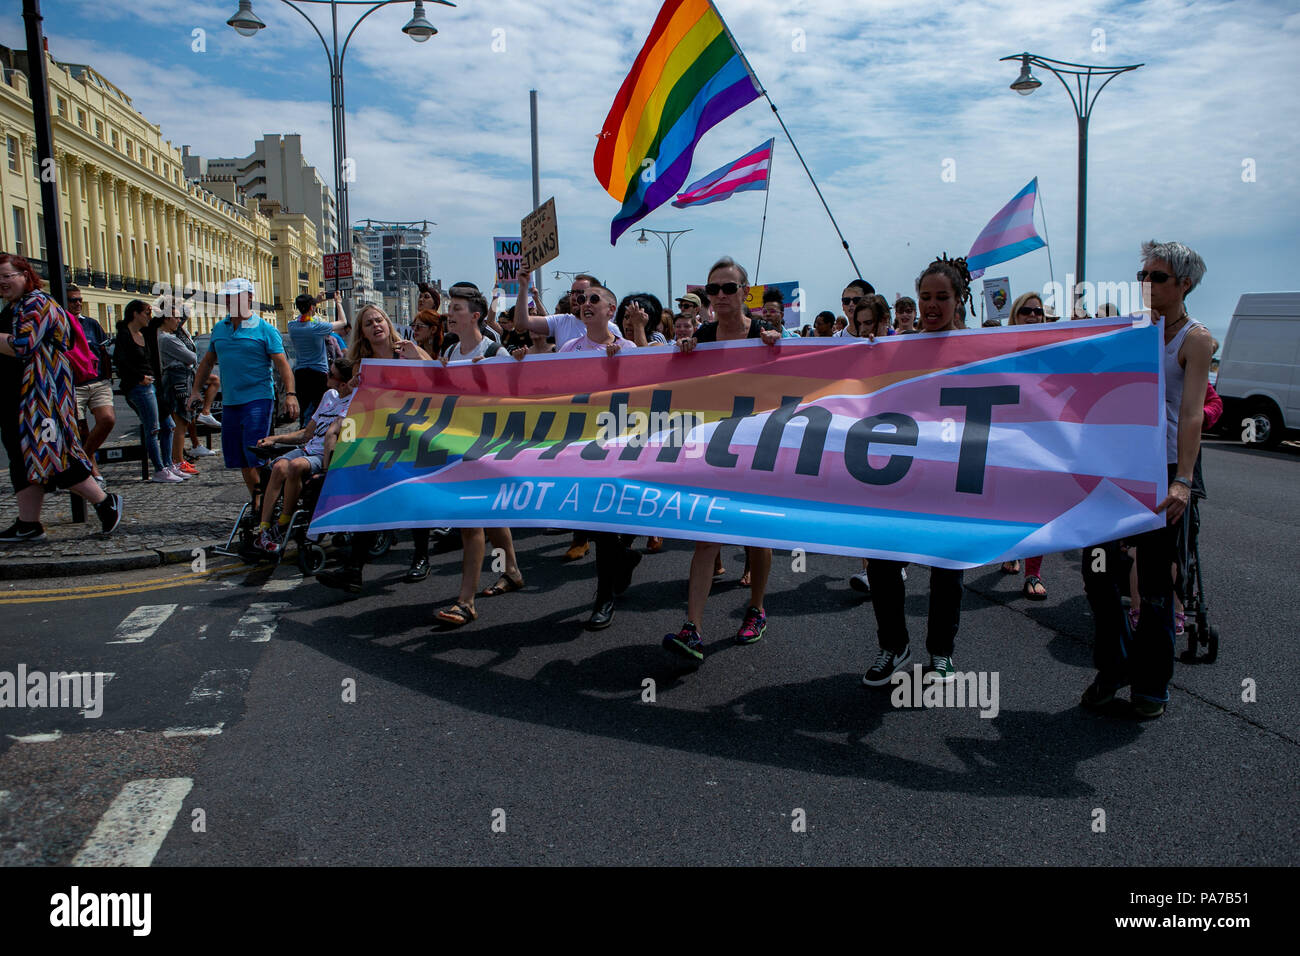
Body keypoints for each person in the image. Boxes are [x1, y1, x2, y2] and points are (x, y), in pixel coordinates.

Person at [1080, 241, 1213, 720]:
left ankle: (1151, 684)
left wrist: (1183, 481)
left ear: (1184, 284)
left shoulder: (1195, 340)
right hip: (1117, 474)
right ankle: (1113, 665)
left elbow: (1193, 414)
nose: (1147, 285)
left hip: (1161, 478)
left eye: (1158, 277)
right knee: (1097, 572)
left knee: (1156, 585)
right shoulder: (1133, 331)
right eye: (1143, 275)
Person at [861, 256, 975, 688]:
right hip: (899, 476)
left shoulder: (981, 350)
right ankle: (894, 646)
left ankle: (941, 653)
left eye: (941, 297)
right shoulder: (895, 348)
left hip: (952, 478)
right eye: (925, 297)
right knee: (884, 562)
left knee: (947, 569)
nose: (931, 306)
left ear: (958, 299)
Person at [662, 256, 782, 663]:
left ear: (745, 293)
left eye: (729, 288)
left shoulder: (766, 334)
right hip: (715, 448)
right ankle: (692, 627)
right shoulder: (703, 338)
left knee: (755, 533)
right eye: (713, 289)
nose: (720, 296)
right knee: (706, 534)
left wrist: (778, 348)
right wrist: (684, 353)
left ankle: (756, 608)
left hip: (759, 447)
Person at [516, 284, 643, 627]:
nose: (585, 304)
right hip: (583, 446)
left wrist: (622, 365)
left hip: (617, 446)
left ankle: (603, 600)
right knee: (593, 521)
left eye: (594, 300)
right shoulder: (571, 347)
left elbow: (647, 390)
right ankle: (624, 558)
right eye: (582, 300)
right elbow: (556, 388)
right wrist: (521, 365)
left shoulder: (627, 347)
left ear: (610, 311)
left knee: (603, 523)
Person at [0, 254, 122, 541]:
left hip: (39, 400)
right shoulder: (15, 305)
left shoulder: (37, 303)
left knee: (53, 457)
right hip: (16, 399)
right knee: (22, 460)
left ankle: (106, 503)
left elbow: (24, 345)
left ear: (25, 275)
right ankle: (28, 523)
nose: (2, 282)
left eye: (7, 275)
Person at [430, 283, 525, 627]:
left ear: (475, 316)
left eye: (456, 308)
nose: (449, 314)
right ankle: (511, 570)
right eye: (449, 307)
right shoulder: (451, 352)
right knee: (490, 513)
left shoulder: (496, 352)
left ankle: (465, 601)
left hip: (487, 449)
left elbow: (514, 399)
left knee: (471, 520)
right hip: (458, 446)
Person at [189, 277, 299, 500]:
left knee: (255, 453)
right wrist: (194, 391)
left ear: (249, 297)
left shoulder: (264, 329)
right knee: (239, 458)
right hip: (231, 402)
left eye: (234, 296)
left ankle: (268, 503)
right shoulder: (220, 328)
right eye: (227, 296)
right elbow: (207, 362)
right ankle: (260, 501)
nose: (229, 300)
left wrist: (290, 395)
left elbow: (282, 365)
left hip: (258, 399)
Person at [253, 357, 355, 553]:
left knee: (296, 465)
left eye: (331, 374)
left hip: (324, 455)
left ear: (343, 383)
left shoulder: (352, 403)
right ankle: (264, 528)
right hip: (309, 448)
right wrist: (276, 438)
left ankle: (283, 522)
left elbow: (341, 439)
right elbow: (307, 433)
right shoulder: (329, 396)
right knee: (278, 466)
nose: (326, 375)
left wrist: (328, 467)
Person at [999, 290, 1051, 598]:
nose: (1033, 316)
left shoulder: (1057, 351)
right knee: (1009, 505)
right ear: (1015, 316)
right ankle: (1011, 550)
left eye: (1038, 312)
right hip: (1008, 441)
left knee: (1038, 508)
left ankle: (1033, 573)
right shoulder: (1002, 352)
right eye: (1026, 311)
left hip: (1042, 442)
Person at [115, 299, 183, 482]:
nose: (149, 316)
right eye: (146, 312)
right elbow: (121, 363)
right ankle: (160, 469)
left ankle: (168, 465)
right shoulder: (124, 335)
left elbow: (167, 319)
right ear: (135, 314)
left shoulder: (145, 331)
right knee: (152, 429)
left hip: (152, 386)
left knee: (168, 425)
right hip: (139, 387)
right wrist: (139, 378)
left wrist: (170, 302)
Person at [67, 285, 115, 487]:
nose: (78, 303)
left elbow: (103, 351)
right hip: (72, 385)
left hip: (97, 381)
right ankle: (94, 474)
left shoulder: (91, 324)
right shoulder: (59, 324)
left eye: (79, 299)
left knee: (107, 419)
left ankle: (84, 458)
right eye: (72, 300)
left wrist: (108, 376)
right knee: (81, 430)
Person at [154, 297, 201, 477]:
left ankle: (177, 459)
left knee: (181, 420)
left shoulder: (168, 336)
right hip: (177, 380)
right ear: (166, 318)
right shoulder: (167, 339)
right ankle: (178, 460)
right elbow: (191, 357)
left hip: (178, 378)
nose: (178, 320)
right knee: (180, 421)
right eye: (175, 317)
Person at [288, 291, 350, 427]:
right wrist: (338, 302)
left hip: (300, 373)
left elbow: (303, 317)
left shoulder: (292, 326)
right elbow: (343, 322)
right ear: (311, 308)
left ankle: (304, 432)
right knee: (320, 409)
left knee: (304, 408)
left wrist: (315, 302)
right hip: (318, 373)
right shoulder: (316, 327)